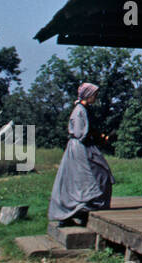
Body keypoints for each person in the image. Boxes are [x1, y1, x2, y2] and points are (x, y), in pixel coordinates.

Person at [48, 82, 114, 226]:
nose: (96, 97)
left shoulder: (84, 109)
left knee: (100, 173)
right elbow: (80, 133)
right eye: (94, 95)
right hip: (80, 148)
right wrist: (98, 137)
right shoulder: (79, 110)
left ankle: (85, 208)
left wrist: (99, 137)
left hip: (84, 146)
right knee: (86, 177)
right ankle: (77, 210)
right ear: (88, 95)